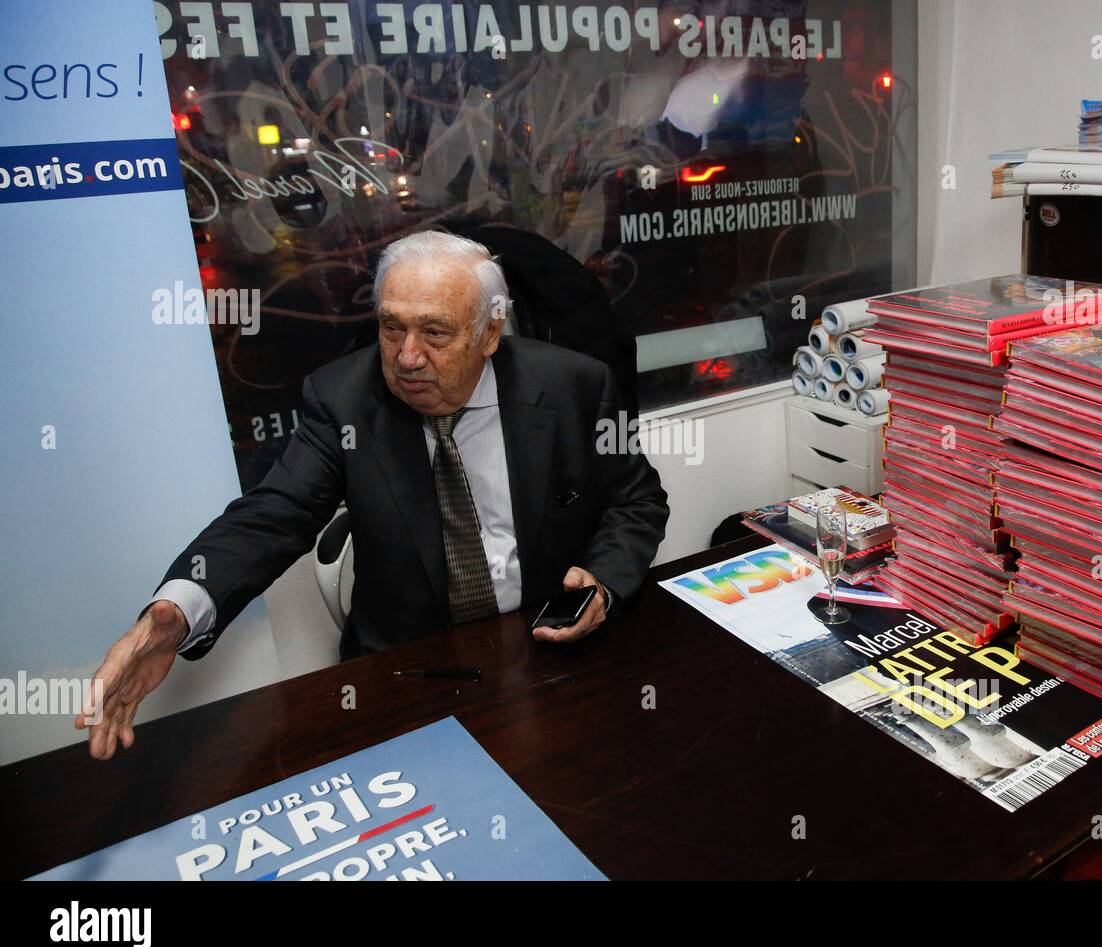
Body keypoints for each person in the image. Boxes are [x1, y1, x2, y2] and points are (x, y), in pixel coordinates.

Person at [76, 230, 670, 760]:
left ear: (491, 331)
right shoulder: (343, 400)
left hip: (546, 651)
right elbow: (273, 513)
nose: (408, 357)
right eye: (392, 327)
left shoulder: (572, 386)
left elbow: (635, 499)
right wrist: (174, 613)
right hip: (406, 674)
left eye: (435, 331)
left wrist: (603, 580)